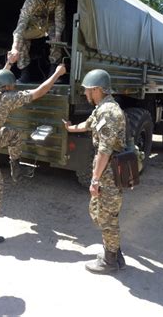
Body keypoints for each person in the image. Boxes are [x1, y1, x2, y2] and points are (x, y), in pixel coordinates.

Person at [0, 61, 66, 244]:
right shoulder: (8, 98)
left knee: (14, 135)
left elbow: (1, 76)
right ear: (7, 87)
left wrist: (9, 62)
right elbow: (38, 92)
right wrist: (57, 74)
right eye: (12, 85)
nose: (14, 87)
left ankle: (16, 167)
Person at [62, 69, 126, 274]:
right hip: (108, 171)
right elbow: (88, 125)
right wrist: (71, 129)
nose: (86, 94)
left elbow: (104, 151)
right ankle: (116, 254)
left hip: (109, 172)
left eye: (88, 90)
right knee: (107, 213)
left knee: (106, 216)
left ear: (98, 89)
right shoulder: (102, 108)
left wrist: (95, 180)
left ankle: (110, 261)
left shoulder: (109, 112)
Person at [8, 0, 66, 83]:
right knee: (22, 37)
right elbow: (21, 23)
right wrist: (14, 47)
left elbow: (60, 16)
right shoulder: (31, 0)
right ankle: (25, 73)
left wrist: (57, 36)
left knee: (56, 36)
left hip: (51, 23)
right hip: (36, 24)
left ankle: (54, 72)